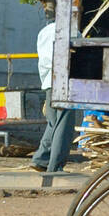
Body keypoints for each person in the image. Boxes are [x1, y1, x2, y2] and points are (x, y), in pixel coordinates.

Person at [30, 15, 80, 173]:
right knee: (64, 125)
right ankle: (55, 165)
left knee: (53, 123)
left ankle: (41, 159)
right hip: (65, 80)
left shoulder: (43, 32)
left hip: (48, 81)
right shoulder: (73, 32)